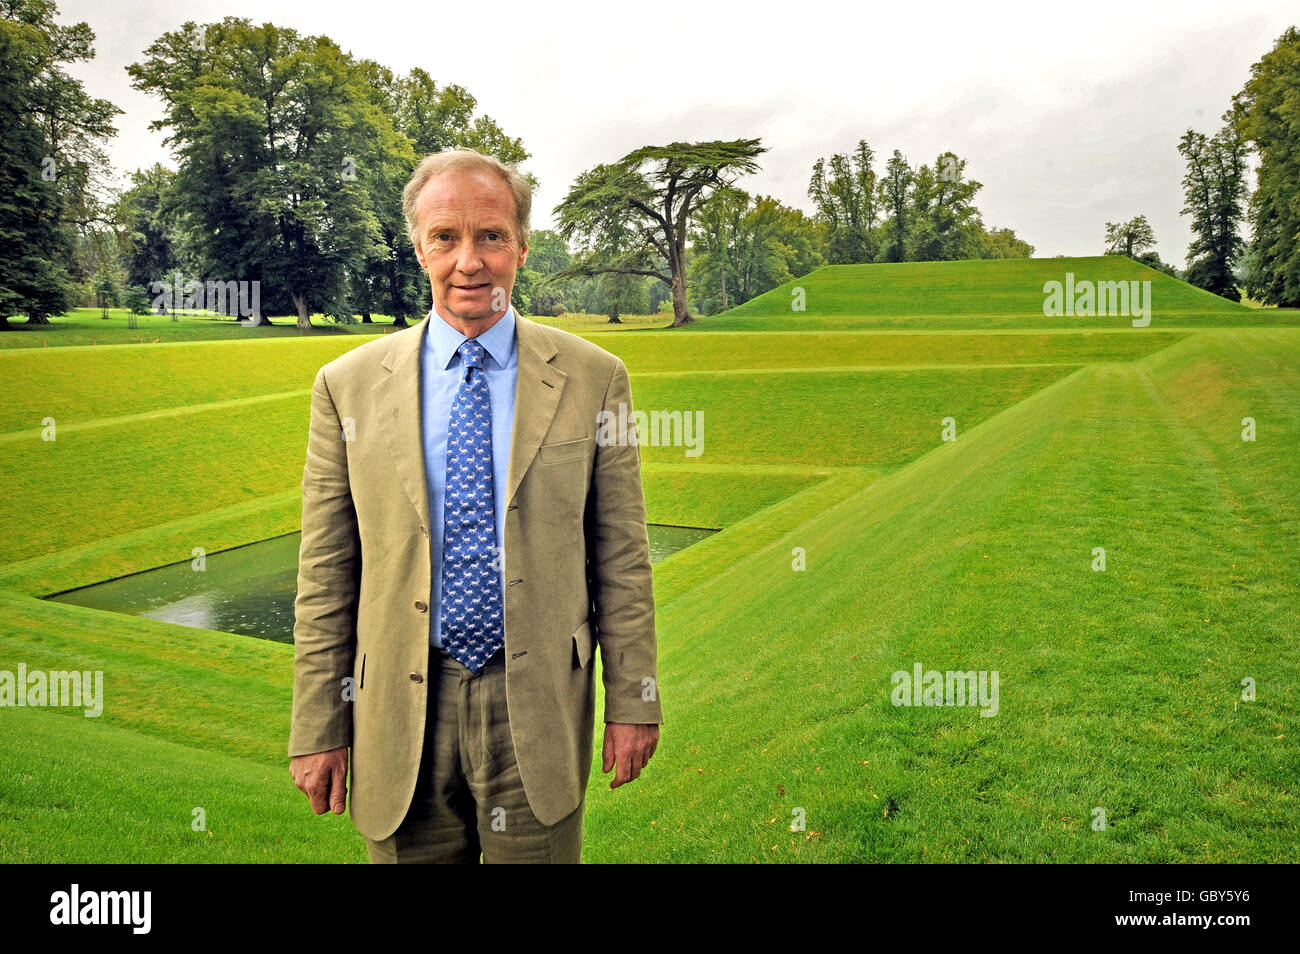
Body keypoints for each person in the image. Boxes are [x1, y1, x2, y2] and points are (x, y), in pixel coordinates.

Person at [288, 148, 663, 863]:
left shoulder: (595, 378)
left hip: (541, 704)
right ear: (418, 248)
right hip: (399, 710)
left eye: (490, 235)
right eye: (445, 238)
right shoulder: (346, 386)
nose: (469, 261)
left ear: (522, 245)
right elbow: (327, 572)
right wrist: (317, 726)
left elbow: (622, 554)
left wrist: (635, 701)